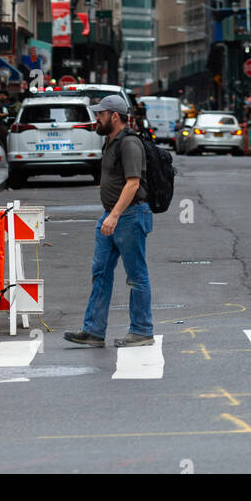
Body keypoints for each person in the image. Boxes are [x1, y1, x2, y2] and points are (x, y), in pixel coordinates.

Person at [64, 95, 154, 349]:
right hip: (112, 215)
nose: (97, 118)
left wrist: (114, 215)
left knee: (136, 276)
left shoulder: (129, 144)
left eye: (100, 114)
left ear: (115, 116)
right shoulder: (110, 142)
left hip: (130, 215)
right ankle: (93, 330)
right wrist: (110, 214)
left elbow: (133, 183)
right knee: (100, 272)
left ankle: (142, 330)